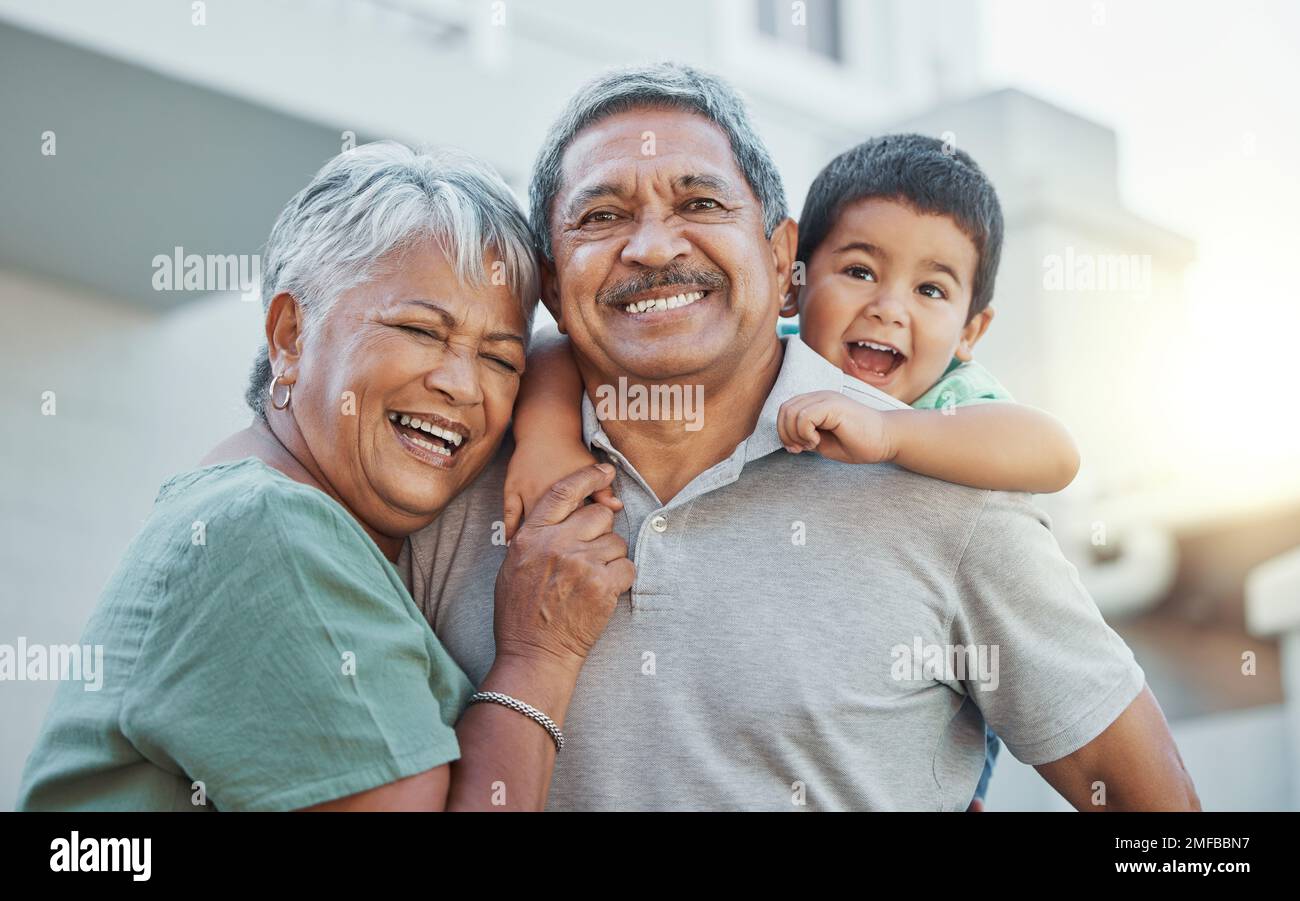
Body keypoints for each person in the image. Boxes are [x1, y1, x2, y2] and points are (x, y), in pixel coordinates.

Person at [406, 63, 1200, 811]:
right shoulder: (448, 485)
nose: (652, 246)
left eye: (700, 203)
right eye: (602, 216)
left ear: (781, 254)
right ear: (551, 280)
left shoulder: (945, 482)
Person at [16, 142, 633, 812]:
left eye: (499, 359)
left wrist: (547, 421)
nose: (462, 385)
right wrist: (539, 657)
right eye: (420, 330)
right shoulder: (268, 528)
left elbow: (565, 345)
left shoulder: (265, 509)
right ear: (289, 335)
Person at [507, 132, 1077, 807]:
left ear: (971, 331)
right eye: (860, 271)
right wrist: (546, 438)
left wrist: (893, 431)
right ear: (791, 282)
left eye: (931, 288)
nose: (889, 307)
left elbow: (1055, 453)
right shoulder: (761, 351)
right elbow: (556, 346)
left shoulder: (952, 395)